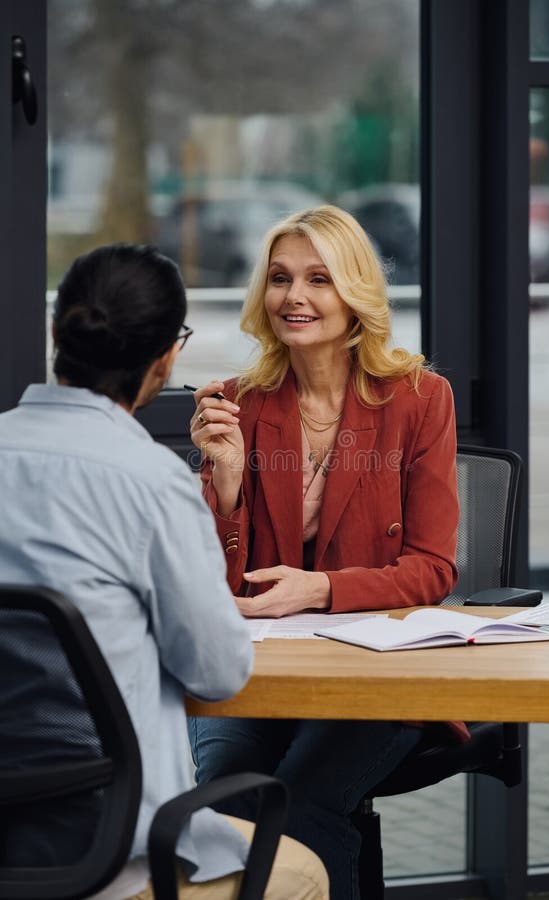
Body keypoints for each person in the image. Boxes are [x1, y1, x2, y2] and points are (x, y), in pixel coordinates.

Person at [0, 243, 328, 899]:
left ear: (55, 331)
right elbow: (217, 670)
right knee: (304, 873)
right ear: (165, 358)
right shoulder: (150, 483)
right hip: (111, 848)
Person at [186, 206, 469, 900]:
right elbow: (215, 590)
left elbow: (433, 570)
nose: (295, 297)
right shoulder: (238, 404)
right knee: (220, 799)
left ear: (356, 295)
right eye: (280, 279)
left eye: (319, 279)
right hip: (263, 670)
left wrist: (319, 589)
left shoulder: (420, 399)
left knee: (302, 803)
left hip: (380, 672)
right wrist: (223, 485)